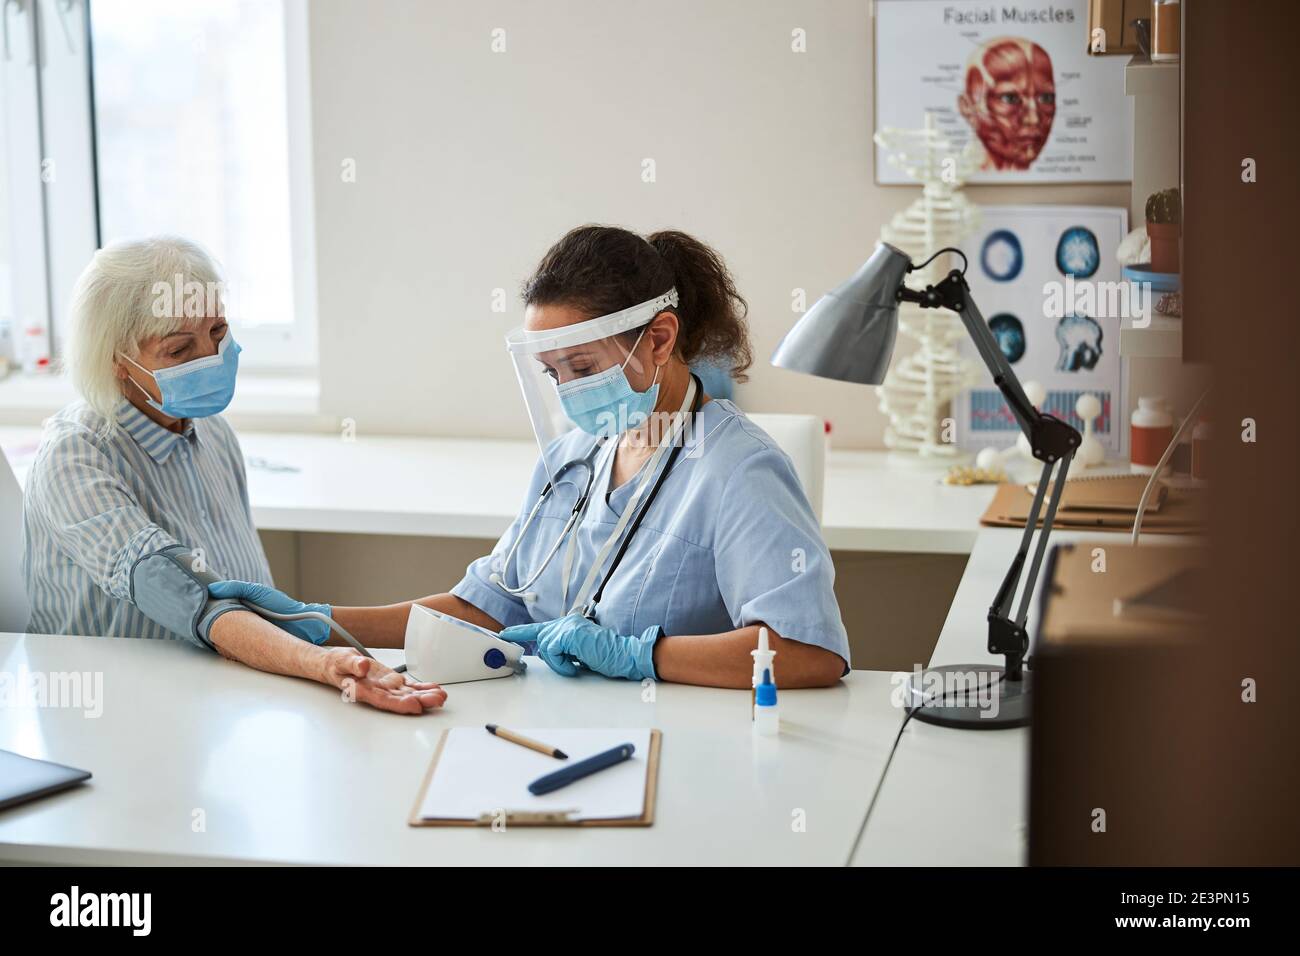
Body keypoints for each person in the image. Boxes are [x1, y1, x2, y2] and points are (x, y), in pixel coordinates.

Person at [218, 225, 849, 688]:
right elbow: (487, 607)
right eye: (554, 373)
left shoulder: (738, 470)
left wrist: (641, 656)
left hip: (676, 751)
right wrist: (315, 620)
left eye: (583, 366)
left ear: (659, 339)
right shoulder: (573, 458)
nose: (571, 390)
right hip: (551, 733)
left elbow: (805, 652)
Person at [21, 236, 444, 715]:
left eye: (218, 332)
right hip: (115, 707)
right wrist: (324, 661)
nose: (211, 357)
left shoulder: (212, 432)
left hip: (221, 693)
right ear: (118, 363)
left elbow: (244, 594)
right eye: (180, 350)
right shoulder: (75, 456)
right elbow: (191, 598)